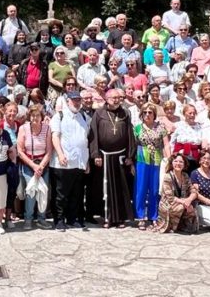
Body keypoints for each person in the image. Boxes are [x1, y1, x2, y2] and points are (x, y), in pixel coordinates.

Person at [88, 89, 136, 228]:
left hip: (120, 156)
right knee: (105, 189)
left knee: (121, 188)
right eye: (113, 98)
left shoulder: (125, 113)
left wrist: (130, 155)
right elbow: (94, 135)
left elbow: (130, 135)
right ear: (106, 98)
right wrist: (95, 154)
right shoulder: (98, 113)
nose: (116, 100)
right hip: (104, 157)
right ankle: (107, 218)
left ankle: (120, 219)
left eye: (118, 98)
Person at [50, 92, 90, 231]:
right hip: (63, 162)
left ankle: (72, 219)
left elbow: (85, 141)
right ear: (68, 101)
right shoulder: (59, 116)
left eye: (79, 100)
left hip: (79, 162)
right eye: (74, 100)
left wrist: (87, 162)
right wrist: (60, 154)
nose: (77, 103)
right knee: (61, 195)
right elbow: (55, 137)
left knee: (76, 194)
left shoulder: (84, 117)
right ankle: (59, 220)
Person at [132, 103, 168, 231]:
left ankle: (153, 216)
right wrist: (131, 163)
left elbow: (166, 145)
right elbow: (132, 147)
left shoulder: (161, 127)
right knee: (141, 188)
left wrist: (168, 160)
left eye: (150, 112)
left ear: (154, 114)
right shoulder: (137, 128)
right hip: (141, 160)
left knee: (154, 189)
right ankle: (140, 216)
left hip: (157, 160)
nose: (147, 114)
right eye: (145, 112)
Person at [17, 104, 52, 229]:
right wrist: (33, 166)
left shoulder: (47, 128)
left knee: (43, 191)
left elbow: (49, 151)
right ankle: (28, 218)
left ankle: (42, 218)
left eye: (37, 115)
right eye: (32, 115)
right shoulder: (23, 128)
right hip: (28, 163)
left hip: (43, 163)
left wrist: (40, 167)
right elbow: (20, 151)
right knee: (30, 191)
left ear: (41, 117)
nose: (35, 118)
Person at [154, 153, 198, 233]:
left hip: (183, 202)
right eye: (175, 161)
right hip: (168, 204)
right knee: (181, 207)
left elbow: (194, 191)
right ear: (172, 163)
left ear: (184, 164)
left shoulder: (185, 176)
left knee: (192, 208)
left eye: (181, 162)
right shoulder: (167, 177)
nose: (178, 164)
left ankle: (183, 225)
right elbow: (170, 198)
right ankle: (172, 226)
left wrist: (189, 200)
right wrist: (185, 202)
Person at [170, 104, 203, 172]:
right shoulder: (178, 125)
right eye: (190, 113)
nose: (192, 115)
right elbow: (172, 142)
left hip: (195, 158)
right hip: (181, 159)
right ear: (184, 114)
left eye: (194, 113)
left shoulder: (200, 127)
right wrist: (173, 156)